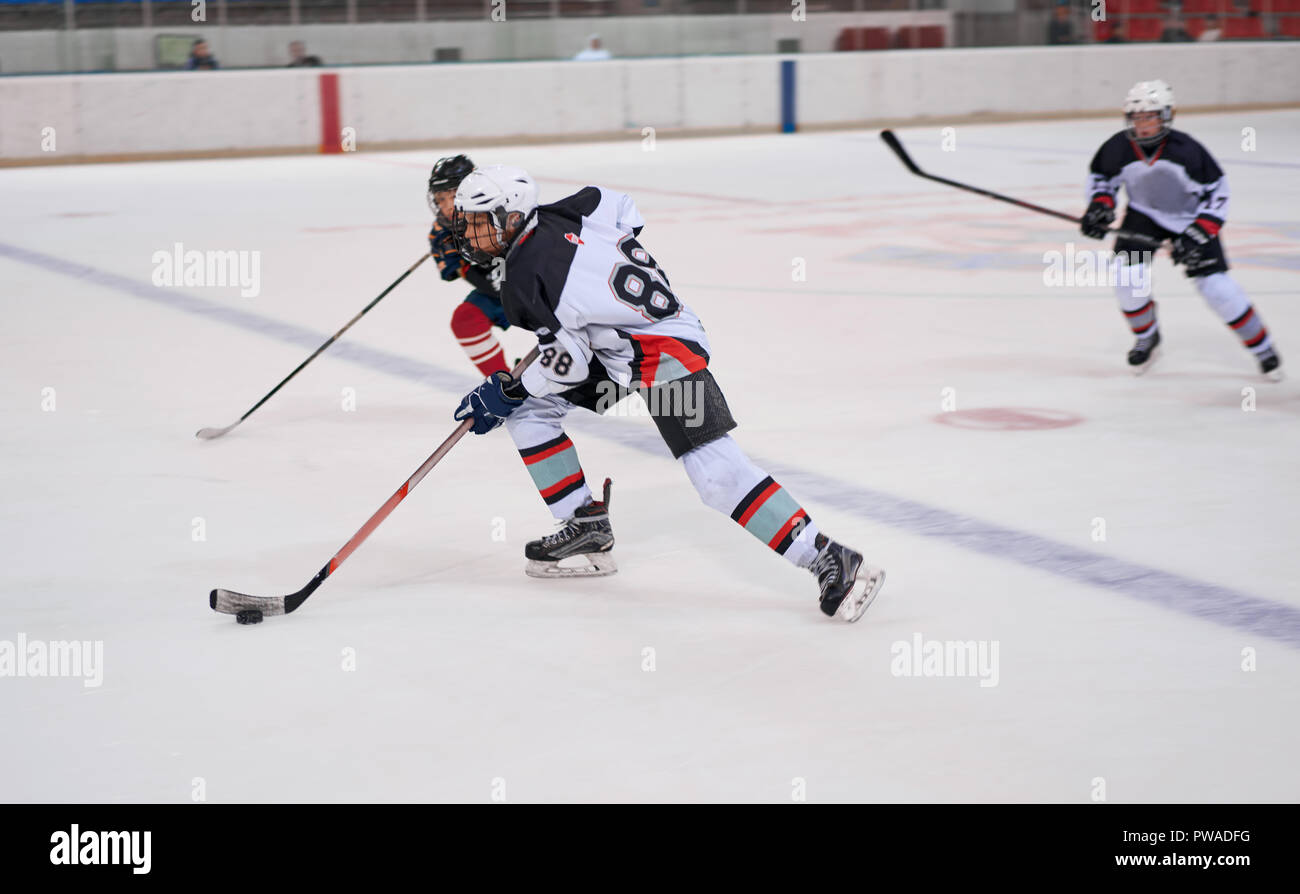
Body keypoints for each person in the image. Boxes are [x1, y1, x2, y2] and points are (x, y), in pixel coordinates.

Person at [447, 166, 885, 622]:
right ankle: (585, 525)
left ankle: (829, 558)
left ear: (512, 218)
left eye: (478, 221)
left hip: (661, 354)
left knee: (716, 475)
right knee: (532, 414)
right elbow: (619, 205)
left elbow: (567, 364)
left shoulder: (523, 278)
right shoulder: (571, 209)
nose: (469, 232)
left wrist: (509, 390)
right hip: (621, 347)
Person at [1080, 80, 1281, 378]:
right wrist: (1100, 207)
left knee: (1217, 287)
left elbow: (1217, 193)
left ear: (1166, 116)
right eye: (1137, 118)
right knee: (1127, 277)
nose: (1143, 125)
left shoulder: (1187, 150)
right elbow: (1102, 181)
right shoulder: (1117, 147)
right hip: (1143, 215)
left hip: (1189, 219)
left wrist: (1198, 233)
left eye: (1150, 117)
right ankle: (1147, 336)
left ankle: (1262, 348)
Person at [426, 155, 510, 376]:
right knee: (466, 320)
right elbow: (469, 273)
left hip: (535, 286)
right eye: (440, 199)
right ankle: (503, 383)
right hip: (499, 290)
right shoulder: (442, 232)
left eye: (452, 197)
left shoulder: (503, 210)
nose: (445, 207)